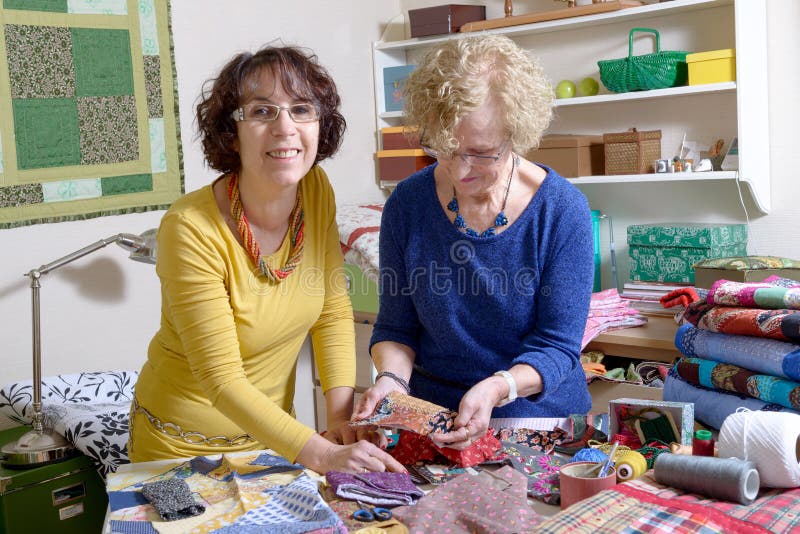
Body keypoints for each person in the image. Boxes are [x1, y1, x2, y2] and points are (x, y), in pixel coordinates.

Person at [129, 45, 403, 474]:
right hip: (179, 449)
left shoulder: (315, 190)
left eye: (301, 109)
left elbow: (330, 310)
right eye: (261, 112)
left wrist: (339, 421)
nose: (285, 128)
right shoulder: (189, 228)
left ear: (320, 123)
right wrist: (325, 454)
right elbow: (222, 380)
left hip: (274, 441)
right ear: (230, 131)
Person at [353, 35, 594, 450]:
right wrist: (390, 381)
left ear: (516, 134)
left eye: (481, 153)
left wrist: (497, 387)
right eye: (445, 149)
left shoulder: (561, 210)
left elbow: (557, 347)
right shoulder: (408, 204)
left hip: (534, 415)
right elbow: (396, 327)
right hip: (432, 419)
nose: (460, 169)